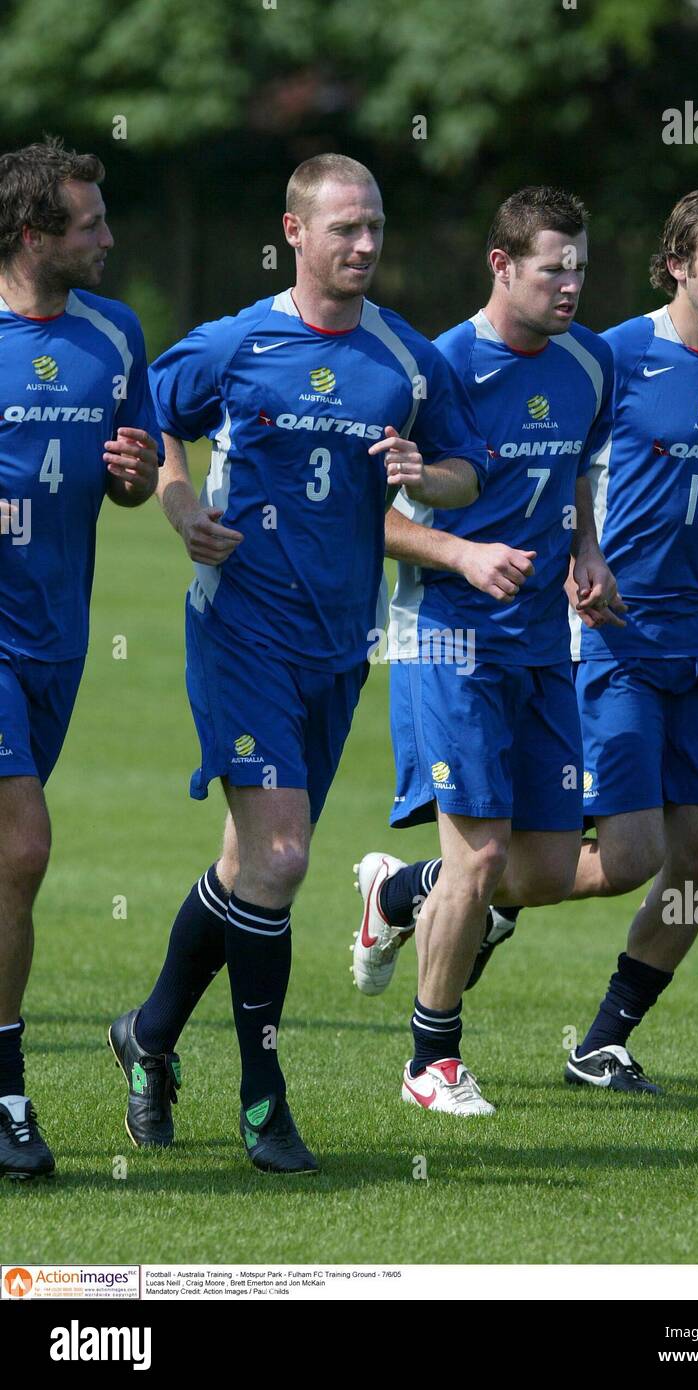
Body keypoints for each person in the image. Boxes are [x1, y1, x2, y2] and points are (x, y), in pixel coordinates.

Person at [109, 154, 488, 1172]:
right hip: (239, 629)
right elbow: (153, 415)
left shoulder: (408, 361)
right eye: (344, 228)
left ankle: (147, 1031)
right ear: (293, 231)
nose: (363, 245)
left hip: (339, 644)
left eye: (374, 227)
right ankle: (263, 1099)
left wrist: (427, 475)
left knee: (250, 869)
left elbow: (462, 467)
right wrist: (181, 503)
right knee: (280, 859)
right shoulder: (237, 341)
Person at [446, 187, 698, 1094]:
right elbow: (554, 463)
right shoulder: (608, 356)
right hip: (611, 634)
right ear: (676, 265)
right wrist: (572, 555)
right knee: (625, 858)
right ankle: (430, 893)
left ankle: (603, 1043)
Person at [351, 186, 621, 1115]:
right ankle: (432, 1063)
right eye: (554, 267)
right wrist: (462, 551)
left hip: (544, 641)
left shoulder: (589, 364)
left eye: (581, 266)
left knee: (542, 869)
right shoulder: (434, 368)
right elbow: (367, 518)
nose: (572, 285)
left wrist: (584, 549)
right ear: (501, 266)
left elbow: (576, 469)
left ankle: (395, 896)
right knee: (480, 854)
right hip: (446, 637)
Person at [0, 137, 162, 1179]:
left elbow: (133, 484)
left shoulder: (117, 333)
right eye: (90, 223)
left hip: (55, 635)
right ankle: (10, 1092)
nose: (108, 236)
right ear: (32, 236)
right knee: (22, 847)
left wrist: (136, 470)